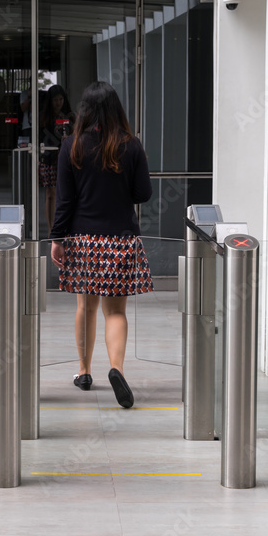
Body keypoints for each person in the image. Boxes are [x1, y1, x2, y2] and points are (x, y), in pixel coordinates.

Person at [49, 81, 153, 409]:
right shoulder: (131, 146)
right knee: (116, 311)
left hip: (83, 240)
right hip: (120, 239)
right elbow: (143, 194)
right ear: (116, 109)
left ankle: (83, 371)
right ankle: (116, 369)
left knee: (86, 307)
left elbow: (65, 200)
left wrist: (57, 239)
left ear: (85, 111)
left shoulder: (72, 145)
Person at [39, 84, 73, 231]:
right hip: (48, 158)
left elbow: (76, 135)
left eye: (61, 99)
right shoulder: (44, 118)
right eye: (55, 100)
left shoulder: (68, 117)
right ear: (50, 101)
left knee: (64, 193)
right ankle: (51, 228)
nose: (58, 103)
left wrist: (69, 138)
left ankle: (62, 226)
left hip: (64, 158)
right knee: (50, 194)